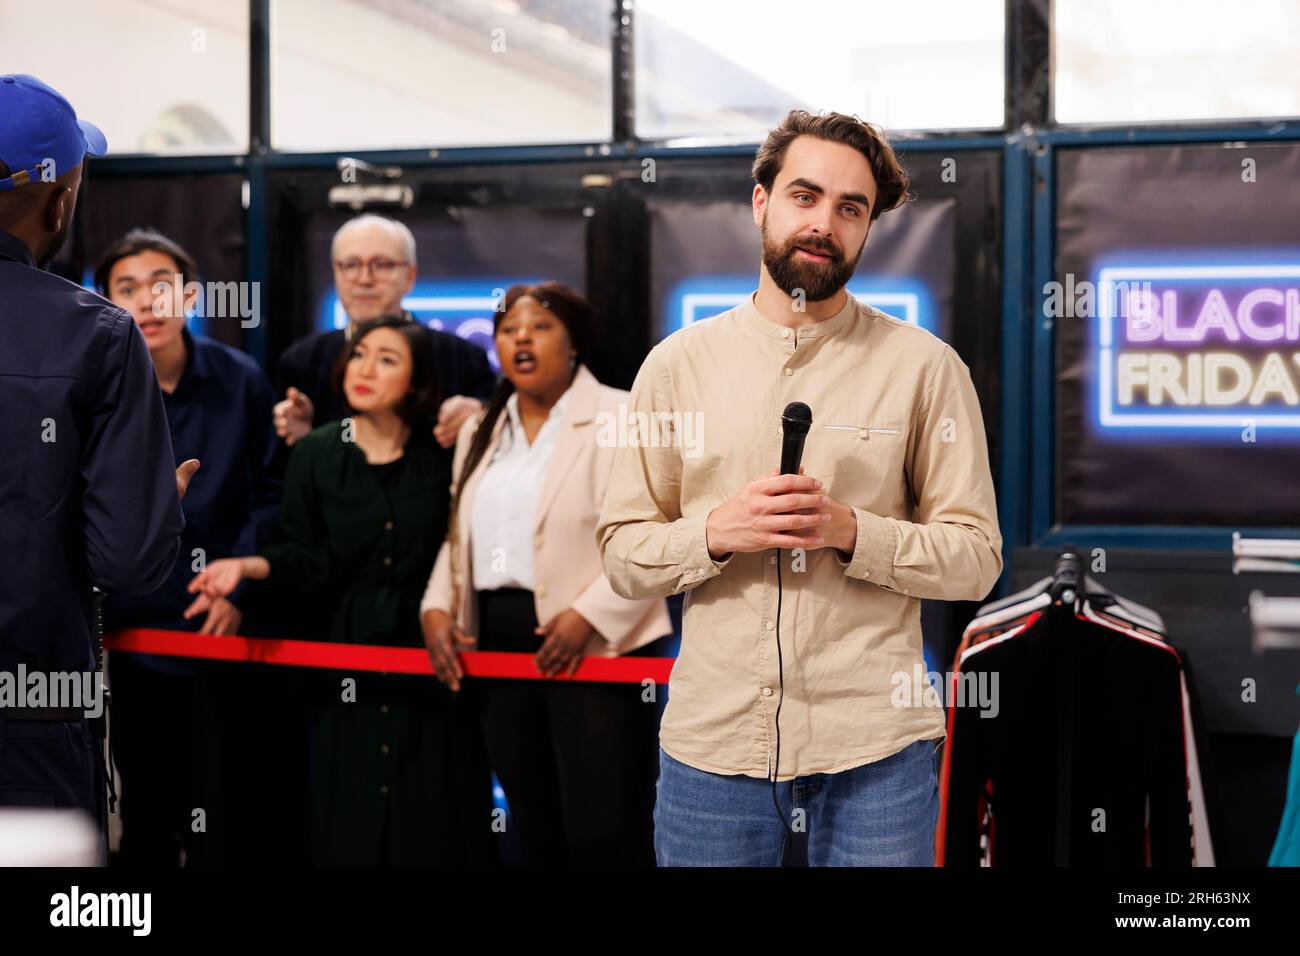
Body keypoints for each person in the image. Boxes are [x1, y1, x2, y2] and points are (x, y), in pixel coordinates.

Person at [596, 109, 1004, 866]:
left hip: (879, 751)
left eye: (851, 208)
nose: (824, 223)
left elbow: (976, 558)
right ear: (762, 201)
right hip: (713, 750)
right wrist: (717, 532)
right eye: (804, 197)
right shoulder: (675, 366)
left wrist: (852, 531)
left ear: (869, 227)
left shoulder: (926, 368)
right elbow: (623, 555)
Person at [187, 316, 496, 866]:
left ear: (418, 379)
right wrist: (247, 566)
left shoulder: (443, 451)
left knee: (435, 813)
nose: (365, 369)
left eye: (386, 359)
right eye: (358, 354)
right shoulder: (317, 452)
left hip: (430, 654)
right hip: (342, 656)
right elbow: (308, 561)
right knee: (348, 814)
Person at [0, 75, 197, 843]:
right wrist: (153, 506)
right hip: (32, 715)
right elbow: (127, 561)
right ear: (59, 201)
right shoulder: (99, 337)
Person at [421, 282, 672, 866]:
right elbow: (458, 537)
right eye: (508, 330)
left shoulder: (622, 412)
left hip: (601, 645)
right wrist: (435, 607)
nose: (520, 339)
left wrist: (589, 615)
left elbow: (657, 533)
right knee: (533, 824)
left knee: (602, 829)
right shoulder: (480, 429)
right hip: (499, 645)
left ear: (575, 343)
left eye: (539, 327)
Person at [93, 228, 281, 865]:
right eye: (126, 289)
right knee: (145, 813)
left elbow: (271, 491)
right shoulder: (95, 389)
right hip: (136, 636)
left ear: (191, 296)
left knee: (232, 812)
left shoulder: (239, 378)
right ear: (105, 300)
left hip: (228, 628)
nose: (147, 302)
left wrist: (242, 581)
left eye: (161, 286)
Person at [273, 213, 495, 450]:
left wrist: (481, 415)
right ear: (335, 273)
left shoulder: (461, 359)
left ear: (410, 276)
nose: (365, 279)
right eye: (351, 265)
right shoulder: (301, 363)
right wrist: (303, 441)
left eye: (381, 265)